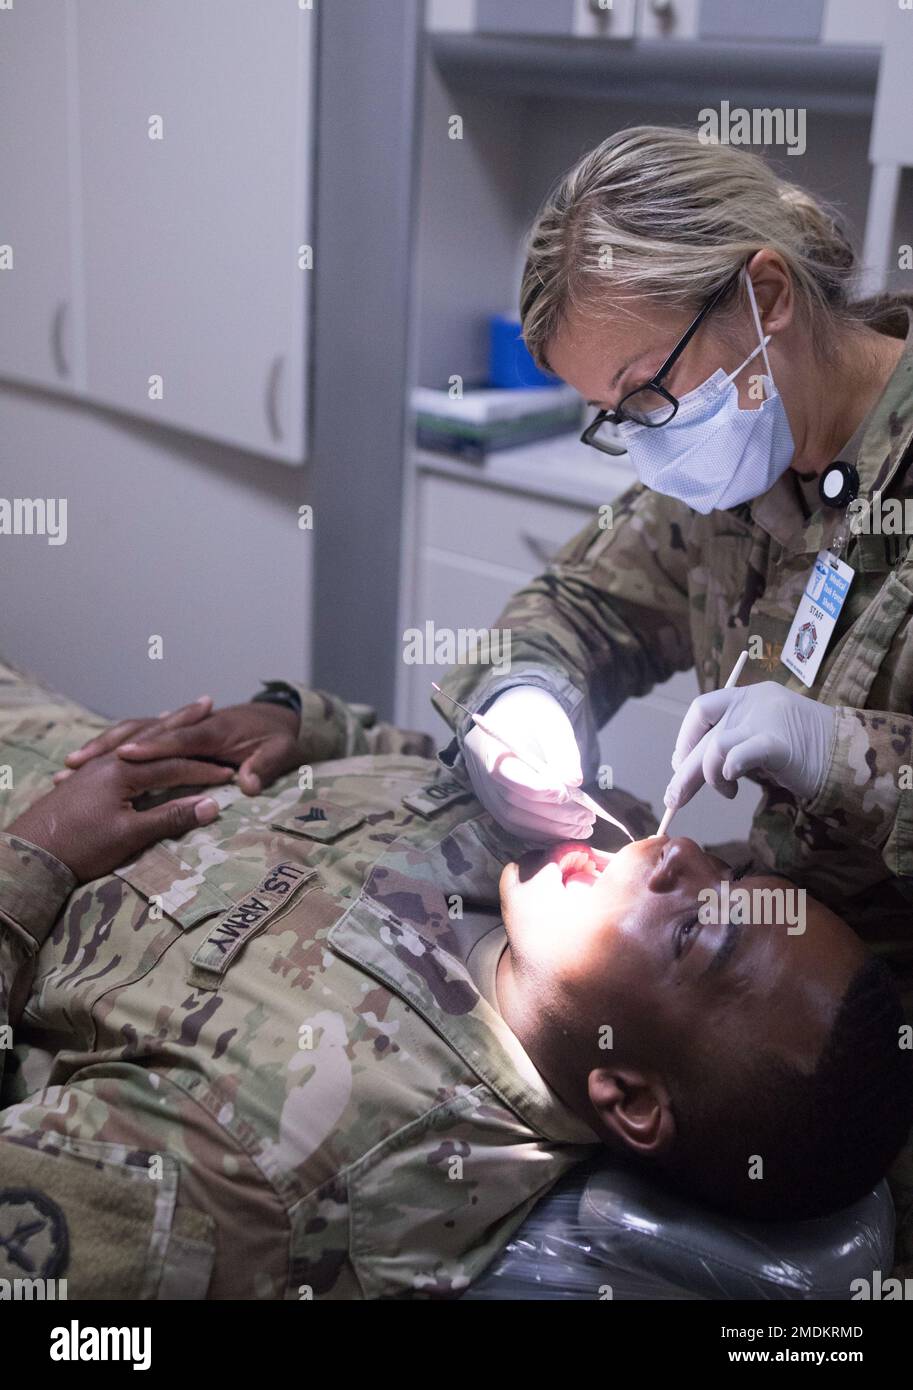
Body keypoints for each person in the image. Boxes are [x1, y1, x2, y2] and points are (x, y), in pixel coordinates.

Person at [1, 656, 910, 1298]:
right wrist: (299, 721)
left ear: (629, 1097)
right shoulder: (578, 866)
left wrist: (33, 859)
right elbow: (387, 763)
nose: (673, 854)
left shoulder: (274, 1162)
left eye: (696, 937)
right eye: (737, 879)